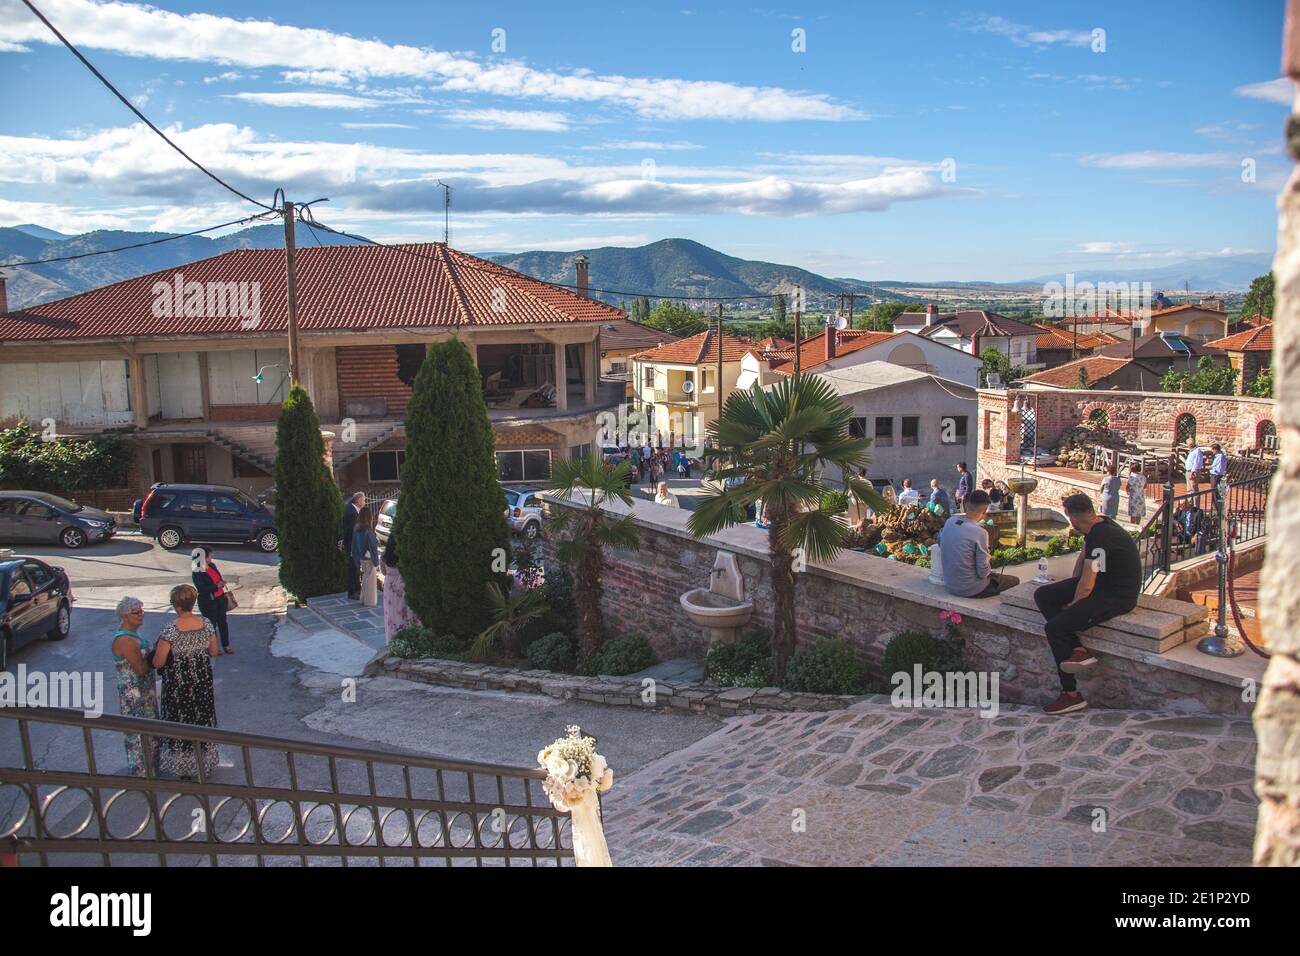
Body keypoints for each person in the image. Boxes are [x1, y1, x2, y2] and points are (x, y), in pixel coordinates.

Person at [1032, 493, 1141, 716]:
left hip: (1116, 595)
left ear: (1071, 518)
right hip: (1102, 584)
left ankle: (1070, 694)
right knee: (1043, 595)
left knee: (1055, 628)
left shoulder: (1101, 537)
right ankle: (1078, 649)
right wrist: (1072, 585)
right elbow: (1083, 561)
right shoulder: (1099, 525)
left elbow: (1088, 584)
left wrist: (1073, 609)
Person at [153, 584, 220, 779]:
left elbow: (159, 661)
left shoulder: (171, 630)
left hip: (178, 686)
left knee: (180, 723)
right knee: (202, 720)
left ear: (175, 605)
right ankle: (203, 766)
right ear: (193, 602)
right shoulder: (206, 624)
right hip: (202, 684)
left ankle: (184, 769)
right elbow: (214, 651)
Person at [938, 490, 1020, 598]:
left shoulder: (950, 521)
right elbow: (982, 572)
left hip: (950, 584)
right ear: (985, 510)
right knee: (1014, 580)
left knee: (994, 576)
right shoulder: (980, 532)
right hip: (971, 589)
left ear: (966, 505)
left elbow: (941, 543)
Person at [111, 596, 159, 777]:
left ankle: (151, 770)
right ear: (124, 616)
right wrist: (155, 657)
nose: (141, 615)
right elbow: (140, 668)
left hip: (144, 694)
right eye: (136, 612)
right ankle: (142, 774)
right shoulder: (125, 641)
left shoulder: (133, 635)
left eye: (142, 611)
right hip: (135, 697)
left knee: (150, 733)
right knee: (139, 737)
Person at [191, 546, 232, 654]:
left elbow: (218, 578)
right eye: (209, 556)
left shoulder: (212, 566)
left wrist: (221, 583)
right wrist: (216, 586)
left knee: (223, 623)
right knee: (211, 626)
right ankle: (212, 648)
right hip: (208, 602)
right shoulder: (197, 571)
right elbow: (201, 589)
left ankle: (226, 645)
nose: (211, 558)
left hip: (220, 599)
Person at [381, 530, 419, 643]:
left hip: (390, 588)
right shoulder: (406, 558)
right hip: (404, 586)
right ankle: (409, 644)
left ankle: (393, 644)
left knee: (392, 618)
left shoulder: (385, 557)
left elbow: (383, 572)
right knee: (407, 617)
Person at [352, 505, 381, 608]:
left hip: (360, 557)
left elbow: (354, 544)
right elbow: (373, 547)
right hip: (369, 558)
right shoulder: (368, 531)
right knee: (371, 580)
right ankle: (370, 601)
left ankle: (363, 598)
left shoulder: (356, 528)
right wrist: (376, 562)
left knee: (365, 577)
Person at [343, 491, 364, 599]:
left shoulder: (353, 509)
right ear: (359, 501)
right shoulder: (352, 513)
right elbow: (351, 532)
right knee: (353, 568)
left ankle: (357, 589)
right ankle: (352, 591)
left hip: (353, 544)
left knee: (356, 567)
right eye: (363, 500)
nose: (364, 502)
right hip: (352, 545)